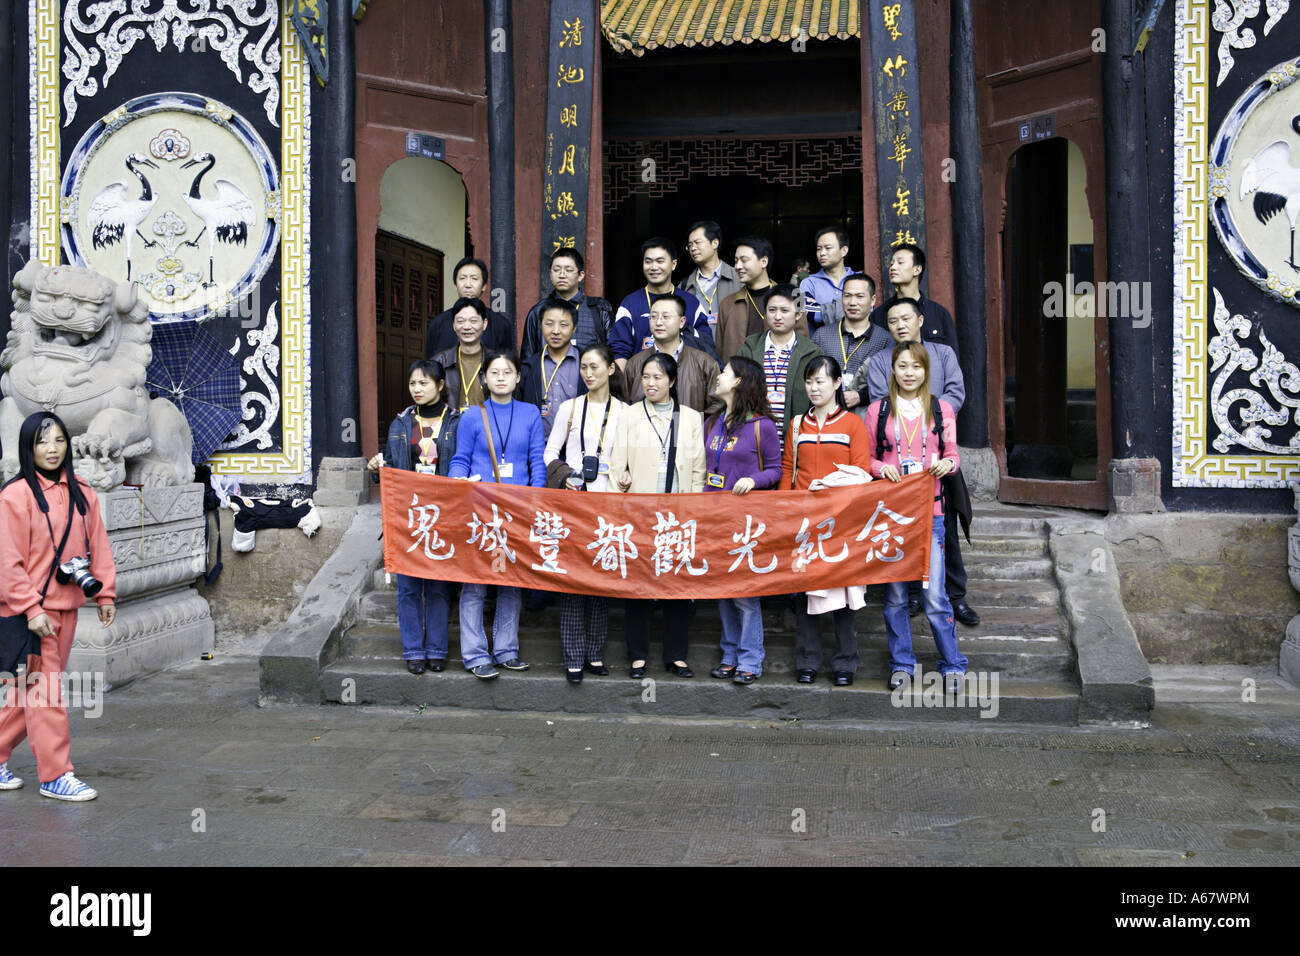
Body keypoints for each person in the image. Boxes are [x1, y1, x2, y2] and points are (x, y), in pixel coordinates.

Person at [0, 412, 116, 802]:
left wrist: (106, 594)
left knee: (27, 692)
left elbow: (98, 544)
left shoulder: (83, 490)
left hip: (66, 606)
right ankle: (55, 774)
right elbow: (6, 561)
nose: (52, 449)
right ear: (28, 448)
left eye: (59, 440)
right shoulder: (14, 496)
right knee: (45, 691)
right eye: (42, 441)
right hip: (29, 613)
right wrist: (31, 608)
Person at [854, 295, 978, 626]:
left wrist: (930, 422)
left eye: (906, 318)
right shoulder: (881, 361)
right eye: (892, 321)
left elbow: (955, 393)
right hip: (896, 461)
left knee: (945, 530)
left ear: (920, 320)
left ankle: (955, 597)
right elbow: (883, 400)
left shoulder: (943, 354)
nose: (900, 325)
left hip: (937, 457)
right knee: (899, 529)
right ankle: (910, 594)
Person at [866, 342, 969, 693]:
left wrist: (946, 464)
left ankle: (953, 664)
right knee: (895, 596)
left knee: (935, 597)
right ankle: (902, 664)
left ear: (926, 371)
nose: (909, 373)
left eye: (916, 366)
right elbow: (865, 459)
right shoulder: (878, 411)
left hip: (932, 513)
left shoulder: (941, 410)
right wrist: (882, 469)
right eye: (902, 366)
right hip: (892, 514)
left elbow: (953, 455)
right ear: (892, 370)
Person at [448, 351, 546, 679]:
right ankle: (475, 654)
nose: (501, 377)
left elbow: (537, 461)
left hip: (516, 509)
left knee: (510, 582)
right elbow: (461, 458)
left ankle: (506, 649)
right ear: (484, 379)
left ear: (518, 378)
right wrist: (458, 480)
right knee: (474, 583)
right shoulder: (472, 416)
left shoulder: (530, 413)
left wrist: (536, 501)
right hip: (478, 508)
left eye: (507, 372)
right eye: (494, 372)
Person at [608, 353, 705, 680]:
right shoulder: (631, 414)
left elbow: (697, 471)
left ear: (672, 381)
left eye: (658, 377)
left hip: (678, 515)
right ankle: (637, 656)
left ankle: (676, 656)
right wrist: (621, 486)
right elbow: (616, 464)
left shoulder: (690, 418)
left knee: (677, 589)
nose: (650, 383)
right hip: (640, 513)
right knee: (639, 587)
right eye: (646, 377)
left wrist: (692, 513)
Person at [780, 357, 872, 686]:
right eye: (810, 381)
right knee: (807, 593)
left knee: (844, 593)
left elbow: (861, 473)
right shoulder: (796, 425)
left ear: (837, 384)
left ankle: (845, 663)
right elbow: (788, 474)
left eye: (821, 381)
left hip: (842, 520)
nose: (814, 388)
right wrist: (786, 512)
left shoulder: (852, 425)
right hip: (805, 520)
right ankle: (807, 661)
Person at [368, 360, 461, 675]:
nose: (417, 389)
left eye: (424, 383)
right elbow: (391, 468)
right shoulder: (400, 423)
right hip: (408, 515)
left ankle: (436, 650)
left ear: (439, 385)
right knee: (408, 587)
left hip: (443, 515)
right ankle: (413, 651)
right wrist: (377, 469)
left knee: (437, 586)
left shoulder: (455, 422)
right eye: (413, 384)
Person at [543, 344, 627, 683]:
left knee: (601, 582)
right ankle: (573, 657)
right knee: (573, 581)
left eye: (595, 367)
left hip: (610, 504)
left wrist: (626, 474)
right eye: (584, 368)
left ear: (610, 369)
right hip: (575, 501)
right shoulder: (570, 407)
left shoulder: (624, 410)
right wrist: (566, 476)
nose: (588, 373)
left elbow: (629, 455)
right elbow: (550, 451)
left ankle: (595, 654)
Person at [704, 356, 781, 685]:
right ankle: (730, 653)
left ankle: (751, 658)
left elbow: (776, 470)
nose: (718, 378)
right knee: (723, 591)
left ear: (738, 382)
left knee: (745, 594)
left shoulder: (762, 426)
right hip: (715, 518)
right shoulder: (713, 422)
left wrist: (755, 480)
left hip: (747, 522)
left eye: (724, 373)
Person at [609, 238, 716, 368]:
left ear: (674, 264)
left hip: (684, 381)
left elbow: (705, 344)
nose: (654, 267)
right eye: (648, 261)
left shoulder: (691, 303)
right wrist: (624, 386)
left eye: (660, 261)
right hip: (642, 382)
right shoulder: (630, 303)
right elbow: (619, 351)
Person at [738, 283, 825, 441]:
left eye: (785, 310)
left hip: (798, 442)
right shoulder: (749, 349)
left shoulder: (812, 353)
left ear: (798, 314)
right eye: (772, 310)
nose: (777, 316)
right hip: (753, 442)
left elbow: (821, 402)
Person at [621, 293, 719, 414]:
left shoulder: (705, 363)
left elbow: (717, 406)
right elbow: (625, 406)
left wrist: (695, 427)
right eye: (653, 317)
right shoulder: (635, 364)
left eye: (666, 317)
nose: (658, 322)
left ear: (682, 322)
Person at [716, 236, 809, 362]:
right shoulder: (727, 304)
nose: (737, 266)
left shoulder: (796, 296)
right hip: (737, 378)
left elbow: (804, 346)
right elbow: (720, 352)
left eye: (744, 260)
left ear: (764, 261)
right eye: (736, 260)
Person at [811, 272, 891, 413]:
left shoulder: (885, 340)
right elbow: (810, 377)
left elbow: (890, 384)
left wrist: (861, 396)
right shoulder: (822, 335)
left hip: (866, 418)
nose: (852, 302)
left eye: (860, 296)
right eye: (847, 296)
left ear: (872, 300)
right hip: (826, 415)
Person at [519, 247, 614, 359]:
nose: (562, 275)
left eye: (568, 270)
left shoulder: (599, 309)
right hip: (549, 375)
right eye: (556, 270)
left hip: (588, 375)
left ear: (581, 275)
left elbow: (612, 352)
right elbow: (528, 359)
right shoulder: (538, 311)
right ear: (550, 274)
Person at [516, 297, 584, 440]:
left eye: (563, 325)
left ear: (574, 328)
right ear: (541, 325)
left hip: (577, 449)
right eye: (549, 324)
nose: (556, 331)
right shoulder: (528, 367)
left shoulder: (586, 363)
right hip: (538, 449)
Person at [868, 243, 959, 350]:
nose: (893, 267)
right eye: (892, 264)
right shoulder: (879, 315)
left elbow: (952, 359)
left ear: (917, 269)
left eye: (900, 262)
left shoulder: (939, 314)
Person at [425, 257, 514, 356]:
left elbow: (507, 363)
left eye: (474, 279)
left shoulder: (500, 324)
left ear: (484, 286)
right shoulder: (438, 323)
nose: (468, 285)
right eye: (462, 278)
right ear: (455, 285)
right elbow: (430, 366)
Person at [680, 220, 742, 333]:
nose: (693, 248)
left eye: (697, 242)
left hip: (731, 349)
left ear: (715, 243)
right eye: (690, 245)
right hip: (697, 349)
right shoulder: (684, 285)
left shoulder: (739, 279)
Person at [433, 297, 492, 411]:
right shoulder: (439, 362)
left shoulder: (496, 361)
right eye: (460, 321)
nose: (467, 327)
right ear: (454, 325)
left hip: (487, 426)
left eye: (473, 321)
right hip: (450, 426)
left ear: (484, 324)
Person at [800, 226, 856, 331]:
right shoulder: (806, 282)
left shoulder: (860, 280)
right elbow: (799, 311)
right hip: (818, 346)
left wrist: (820, 308)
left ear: (844, 250)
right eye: (818, 249)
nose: (822, 253)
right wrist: (851, 309)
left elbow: (869, 310)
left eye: (828, 248)